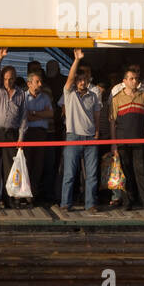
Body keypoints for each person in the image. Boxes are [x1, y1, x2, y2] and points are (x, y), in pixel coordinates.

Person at [59, 49, 101, 211]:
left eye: (85, 80)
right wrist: (76, 60)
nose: (83, 82)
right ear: (76, 81)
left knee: (91, 175)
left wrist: (97, 132)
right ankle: (65, 204)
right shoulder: (69, 94)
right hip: (73, 136)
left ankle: (90, 204)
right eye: (80, 80)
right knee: (70, 174)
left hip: (90, 137)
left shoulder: (93, 95)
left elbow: (97, 114)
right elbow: (69, 78)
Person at [0, 49, 26, 210]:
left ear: (15, 79)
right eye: (6, 78)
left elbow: (23, 118)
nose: (8, 82)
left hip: (11, 133)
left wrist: (21, 137)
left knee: (10, 169)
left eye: (11, 79)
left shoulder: (21, 94)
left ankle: (10, 200)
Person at [110, 66, 144, 211]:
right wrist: (114, 144)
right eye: (131, 79)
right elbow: (112, 123)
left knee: (141, 171)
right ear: (124, 81)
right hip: (122, 141)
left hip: (139, 140)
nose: (134, 81)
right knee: (125, 172)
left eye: (136, 79)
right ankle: (127, 202)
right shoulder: (116, 99)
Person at [20, 70, 54, 204]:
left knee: (38, 165)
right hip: (27, 133)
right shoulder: (23, 97)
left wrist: (34, 113)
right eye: (37, 81)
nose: (40, 84)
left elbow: (50, 114)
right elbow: (24, 116)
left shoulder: (45, 97)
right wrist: (41, 114)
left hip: (41, 133)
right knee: (26, 164)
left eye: (40, 81)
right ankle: (23, 193)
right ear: (29, 83)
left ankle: (33, 195)